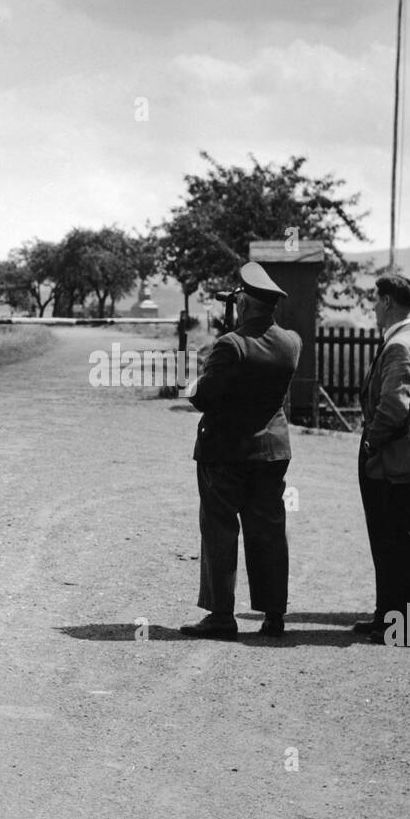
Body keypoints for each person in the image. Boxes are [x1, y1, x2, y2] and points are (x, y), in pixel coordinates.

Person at [180, 262, 302, 640]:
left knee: (220, 528)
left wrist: (193, 382)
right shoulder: (291, 343)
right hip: (271, 452)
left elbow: (205, 396)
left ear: (245, 304)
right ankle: (274, 614)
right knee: (268, 531)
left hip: (226, 453)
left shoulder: (230, 345)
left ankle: (221, 614)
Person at [353, 274, 410, 646]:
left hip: (393, 461)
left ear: (387, 302)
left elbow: (394, 406)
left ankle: (409, 627)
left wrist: (371, 441)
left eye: (375, 300)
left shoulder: (399, 346)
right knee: (392, 539)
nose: (372, 307)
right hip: (408, 457)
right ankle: (387, 618)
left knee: (400, 540)